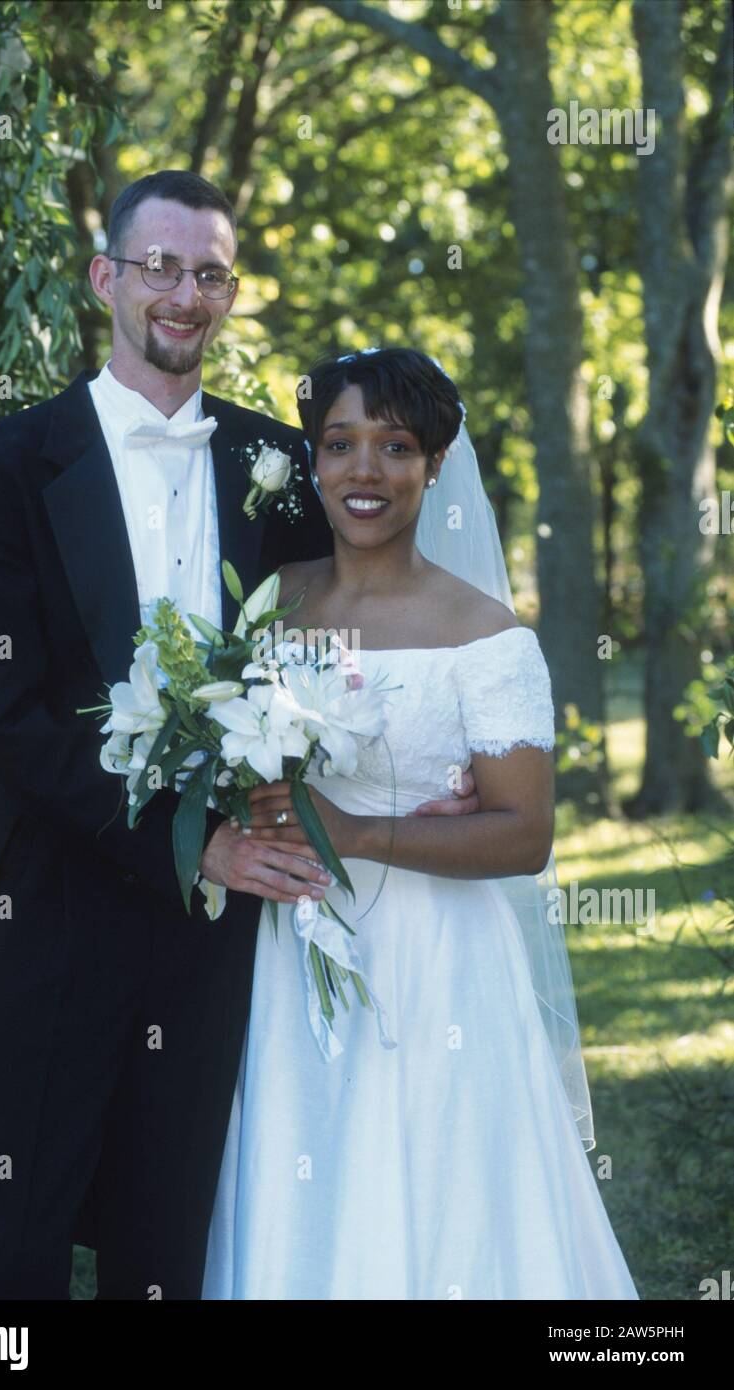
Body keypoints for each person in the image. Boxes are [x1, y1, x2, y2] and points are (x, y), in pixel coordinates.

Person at [0, 170, 346, 1299]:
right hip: (55, 900)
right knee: (29, 1238)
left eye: (210, 273)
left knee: (169, 1234)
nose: (185, 293)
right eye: (161, 266)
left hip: (217, 928)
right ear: (105, 277)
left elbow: (321, 662)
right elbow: (10, 715)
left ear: (229, 295)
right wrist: (187, 835)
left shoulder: (280, 473)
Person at [201, 346, 640, 1300]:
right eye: (340, 445)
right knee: (307, 1161)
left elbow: (524, 836)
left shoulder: (484, 637)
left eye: (395, 447)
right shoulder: (269, 606)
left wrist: (349, 833)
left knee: (447, 1186)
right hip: (292, 943)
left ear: (435, 465)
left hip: (439, 958)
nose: (365, 471)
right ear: (311, 462)